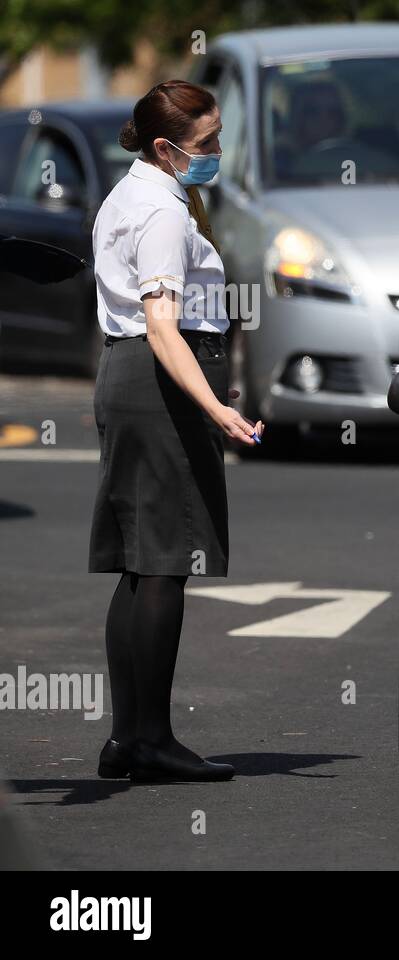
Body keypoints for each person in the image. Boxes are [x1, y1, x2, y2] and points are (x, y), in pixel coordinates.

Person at [90, 80, 263, 783]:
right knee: (166, 563)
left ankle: (128, 738)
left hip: (137, 379)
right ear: (166, 148)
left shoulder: (129, 196)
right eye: (206, 142)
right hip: (159, 386)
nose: (217, 152)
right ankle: (150, 740)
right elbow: (162, 322)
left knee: (143, 562)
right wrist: (215, 408)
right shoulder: (161, 211)